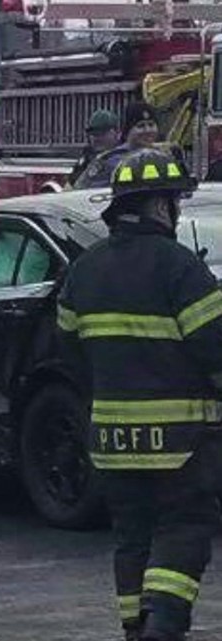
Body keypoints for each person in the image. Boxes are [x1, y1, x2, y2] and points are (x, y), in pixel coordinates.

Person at [58, 148, 222, 641]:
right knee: (183, 528)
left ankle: (136, 627)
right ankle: (164, 626)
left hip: (111, 440)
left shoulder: (82, 271)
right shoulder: (180, 268)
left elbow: (68, 351)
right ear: (158, 206)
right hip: (180, 440)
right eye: (174, 202)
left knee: (131, 538)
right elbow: (215, 349)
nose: (175, 212)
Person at [73, 102, 161, 189]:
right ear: (128, 130)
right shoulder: (110, 160)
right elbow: (82, 193)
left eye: (151, 125)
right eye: (140, 126)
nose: (147, 130)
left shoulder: (163, 156)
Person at [68, 109, 121, 187]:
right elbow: (71, 184)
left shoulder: (125, 156)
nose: (97, 138)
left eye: (102, 134)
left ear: (117, 133)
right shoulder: (87, 156)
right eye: (93, 134)